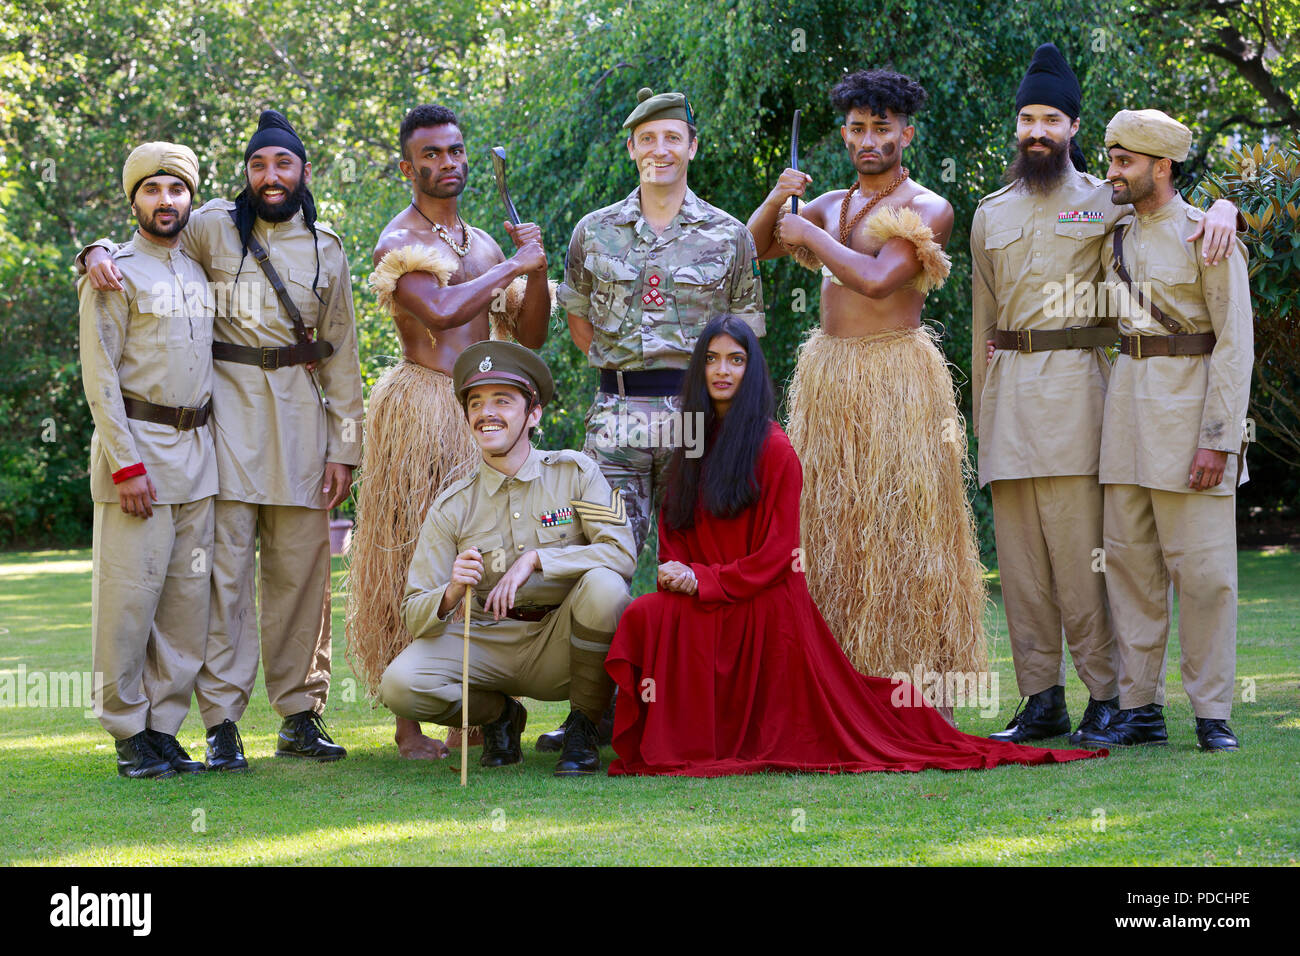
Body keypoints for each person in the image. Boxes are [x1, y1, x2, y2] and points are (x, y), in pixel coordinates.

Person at [606, 316, 1106, 775]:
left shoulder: (773, 448)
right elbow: (674, 531)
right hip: (704, 593)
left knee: (846, 722)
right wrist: (679, 572)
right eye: (712, 359)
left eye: (736, 360)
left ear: (751, 371)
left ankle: (705, 737)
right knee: (641, 615)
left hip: (761, 601)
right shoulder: (689, 445)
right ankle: (625, 730)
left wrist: (708, 581)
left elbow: (780, 553)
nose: (722, 370)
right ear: (698, 370)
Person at [971, 44, 1243, 744]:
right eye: (1027, 117)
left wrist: (1225, 206)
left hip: (1081, 396)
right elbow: (983, 325)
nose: (1037, 130)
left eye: (1051, 119)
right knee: (1029, 570)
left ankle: (1109, 693)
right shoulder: (988, 215)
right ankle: (1042, 699)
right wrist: (979, 417)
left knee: (1088, 562)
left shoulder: (1105, 202)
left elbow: (1172, 214)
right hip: (1014, 401)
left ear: (1073, 128)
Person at [78, 110, 365, 770]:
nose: (270, 177)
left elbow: (343, 356)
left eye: (282, 164)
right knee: (221, 584)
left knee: (302, 581)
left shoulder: (329, 248)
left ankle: (299, 713)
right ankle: (221, 723)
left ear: (303, 172)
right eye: (258, 165)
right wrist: (91, 249)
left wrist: (346, 448)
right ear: (244, 175)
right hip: (223, 432)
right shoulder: (211, 224)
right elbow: (149, 231)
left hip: (301, 429)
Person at [747, 69, 982, 721]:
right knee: (830, 529)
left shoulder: (928, 206)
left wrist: (812, 236)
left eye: (882, 127)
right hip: (830, 378)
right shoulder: (827, 203)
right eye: (857, 128)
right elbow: (752, 248)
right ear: (843, 134)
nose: (868, 139)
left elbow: (880, 280)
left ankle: (910, 681)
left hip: (897, 377)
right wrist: (778, 197)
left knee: (902, 525)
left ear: (906, 132)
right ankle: (837, 677)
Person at [551, 86, 765, 750]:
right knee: (601, 567)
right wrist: (621, 373)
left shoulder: (728, 235)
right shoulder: (594, 230)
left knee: (694, 563)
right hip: (616, 415)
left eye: (673, 137)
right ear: (631, 149)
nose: (660, 150)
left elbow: (746, 334)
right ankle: (589, 713)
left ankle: (691, 709)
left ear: (692, 146)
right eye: (648, 139)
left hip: (697, 419)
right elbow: (577, 317)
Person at [350, 104, 551, 760]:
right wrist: (511, 268)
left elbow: (529, 335)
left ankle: (478, 712)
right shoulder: (399, 241)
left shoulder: (487, 245)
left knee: (488, 554)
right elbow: (439, 310)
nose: (447, 165)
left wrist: (538, 268)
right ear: (408, 167)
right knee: (411, 557)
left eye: (455, 152)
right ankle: (409, 726)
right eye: (431, 155)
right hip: (424, 410)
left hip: (483, 413)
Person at [1077, 110, 1253, 753]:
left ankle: (1212, 714)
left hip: (1191, 417)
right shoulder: (1110, 227)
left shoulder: (1207, 235)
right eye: (1110, 158)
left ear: (1162, 167)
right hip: (1125, 414)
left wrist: (1219, 436)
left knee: (1205, 574)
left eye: (1124, 162)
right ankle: (1139, 710)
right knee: (1129, 571)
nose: (1111, 172)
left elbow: (1236, 344)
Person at [380, 341, 637, 776]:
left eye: (503, 400)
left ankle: (584, 726)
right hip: (487, 643)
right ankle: (499, 715)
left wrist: (539, 559)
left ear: (533, 414)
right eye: (476, 403)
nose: (487, 412)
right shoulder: (452, 505)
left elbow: (622, 553)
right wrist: (451, 592)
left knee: (606, 587)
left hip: (562, 643)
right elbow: (413, 613)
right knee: (400, 685)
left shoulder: (577, 472)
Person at [78, 142, 216, 779]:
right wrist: (125, 464)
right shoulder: (113, 274)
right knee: (129, 605)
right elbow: (100, 377)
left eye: (177, 190)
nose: (167, 201)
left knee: (187, 607)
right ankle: (128, 731)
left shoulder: (196, 266)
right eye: (153, 190)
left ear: (191, 196)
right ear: (133, 199)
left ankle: (164, 729)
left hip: (199, 456)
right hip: (138, 454)